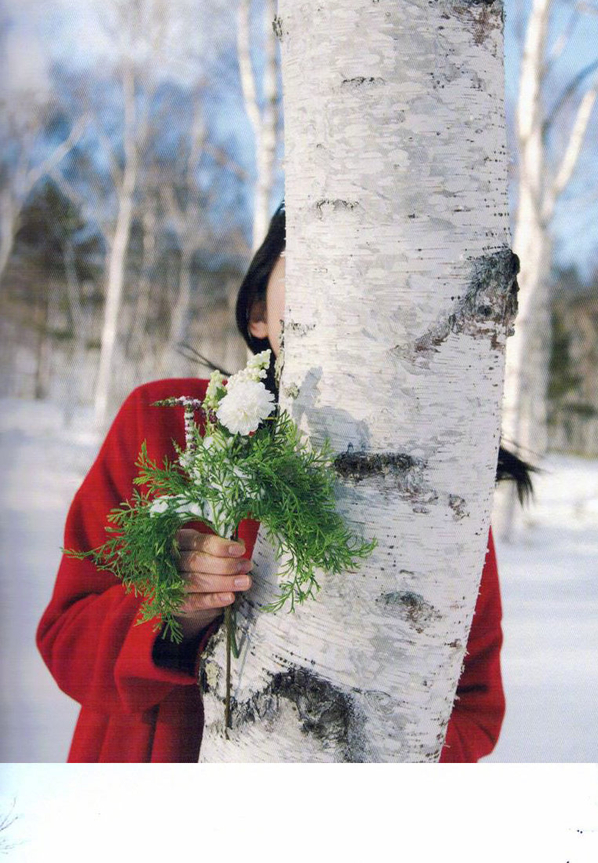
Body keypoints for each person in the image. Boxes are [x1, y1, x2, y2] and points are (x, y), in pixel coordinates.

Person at [36, 204, 519, 763]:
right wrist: (176, 611)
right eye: (314, 266)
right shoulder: (164, 423)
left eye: (371, 276)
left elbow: (471, 708)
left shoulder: (431, 485)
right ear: (258, 312)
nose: (343, 293)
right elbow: (66, 646)